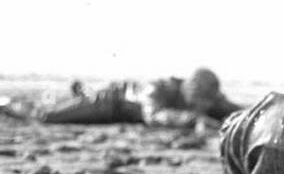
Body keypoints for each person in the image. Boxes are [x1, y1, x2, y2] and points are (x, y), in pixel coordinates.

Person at [39, 67, 242, 128]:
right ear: (190, 90)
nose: (204, 107)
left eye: (208, 103)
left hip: (124, 112)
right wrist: (192, 119)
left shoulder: (208, 98)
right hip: (112, 100)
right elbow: (153, 115)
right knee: (48, 116)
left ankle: (82, 89)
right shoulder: (158, 88)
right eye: (201, 101)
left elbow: (234, 109)